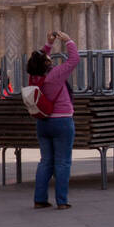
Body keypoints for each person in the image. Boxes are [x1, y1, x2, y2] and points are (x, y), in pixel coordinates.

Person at [30, 31, 79, 209]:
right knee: (63, 161)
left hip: (43, 122)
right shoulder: (55, 75)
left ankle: (40, 199)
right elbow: (74, 60)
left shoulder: (34, 77)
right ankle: (62, 200)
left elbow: (39, 61)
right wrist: (68, 40)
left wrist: (48, 45)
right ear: (47, 63)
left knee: (45, 161)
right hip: (62, 121)